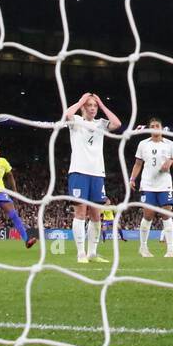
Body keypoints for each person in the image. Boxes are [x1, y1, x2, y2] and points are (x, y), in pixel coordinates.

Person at [64, 92, 122, 263]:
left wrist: (102, 105)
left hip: (97, 173)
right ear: (83, 107)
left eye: (94, 105)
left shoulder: (101, 124)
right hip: (79, 172)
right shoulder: (76, 121)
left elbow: (117, 123)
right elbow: (67, 114)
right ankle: (81, 253)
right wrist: (80, 100)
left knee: (96, 215)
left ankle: (92, 253)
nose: (92, 108)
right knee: (80, 213)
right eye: (89, 105)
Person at [129, 118, 173, 257]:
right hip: (147, 184)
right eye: (152, 126)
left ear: (161, 128)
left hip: (165, 184)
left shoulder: (170, 144)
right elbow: (138, 164)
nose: (155, 128)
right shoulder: (143, 144)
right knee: (148, 215)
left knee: (166, 214)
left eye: (157, 125)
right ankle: (143, 247)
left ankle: (170, 250)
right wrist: (132, 179)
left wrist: (170, 161)